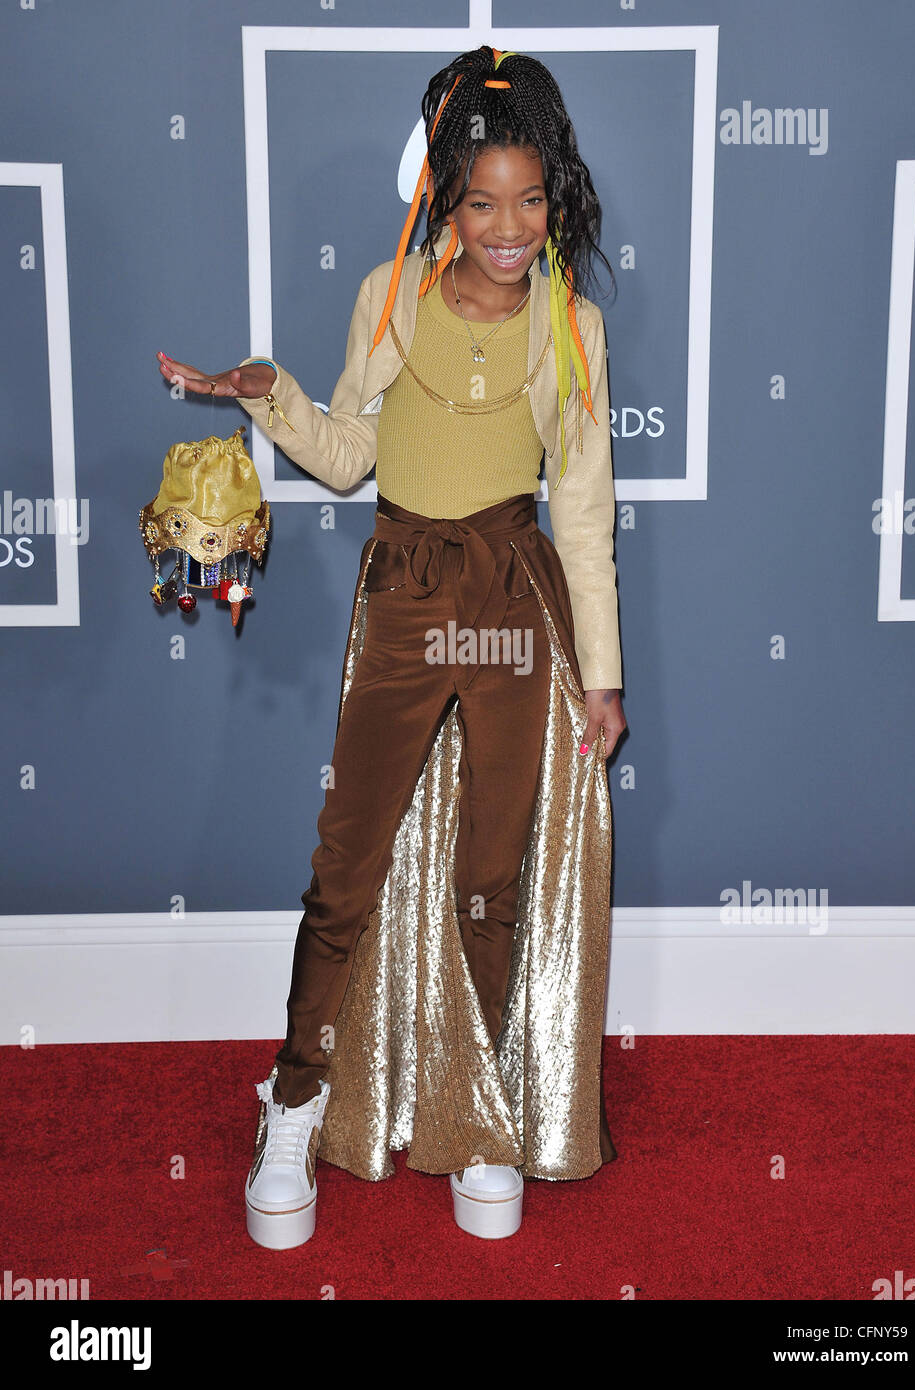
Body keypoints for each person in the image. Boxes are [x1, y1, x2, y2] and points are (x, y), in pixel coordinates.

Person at [156, 45, 626, 1249]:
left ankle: (477, 1119)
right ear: (442, 199)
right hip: (408, 587)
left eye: (529, 199)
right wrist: (271, 395)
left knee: (492, 866)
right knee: (348, 857)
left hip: (516, 598)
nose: (508, 226)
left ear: (553, 193)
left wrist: (605, 674)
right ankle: (293, 1103)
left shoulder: (571, 321)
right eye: (482, 202)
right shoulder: (390, 294)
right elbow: (349, 454)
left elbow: (581, 510)